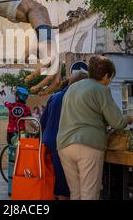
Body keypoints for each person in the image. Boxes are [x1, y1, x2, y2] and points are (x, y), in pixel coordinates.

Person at [57, 56, 133, 200]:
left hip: (64, 144)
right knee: (89, 194)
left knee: (76, 193)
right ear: (105, 75)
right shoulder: (101, 90)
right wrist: (127, 119)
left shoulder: (72, 87)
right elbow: (117, 122)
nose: (109, 81)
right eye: (110, 77)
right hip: (88, 145)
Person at [40, 71, 89, 200]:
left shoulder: (55, 96)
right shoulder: (75, 98)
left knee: (57, 181)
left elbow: (42, 122)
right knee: (65, 187)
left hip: (49, 142)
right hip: (63, 143)